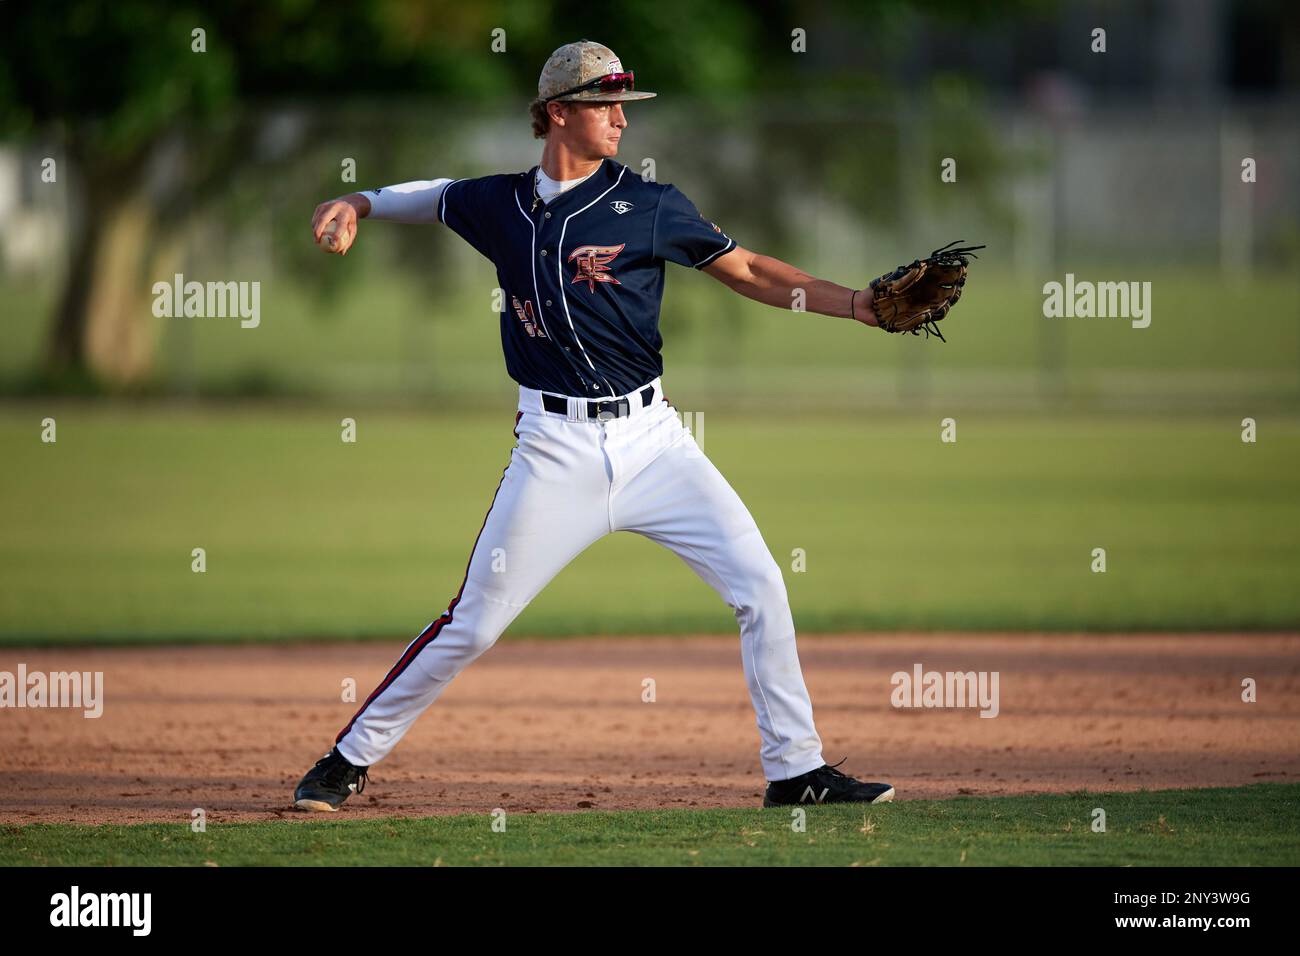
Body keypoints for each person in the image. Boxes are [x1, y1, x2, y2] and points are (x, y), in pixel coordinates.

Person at [293, 39, 894, 812]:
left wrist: (855, 303)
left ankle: (796, 771)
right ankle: (347, 760)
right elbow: (433, 195)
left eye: (623, 105)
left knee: (762, 586)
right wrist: (360, 203)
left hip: (656, 444)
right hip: (554, 451)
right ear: (556, 114)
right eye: (606, 104)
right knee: (473, 625)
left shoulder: (650, 206)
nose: (621, 119)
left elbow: (745, 268)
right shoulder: (499, 204)